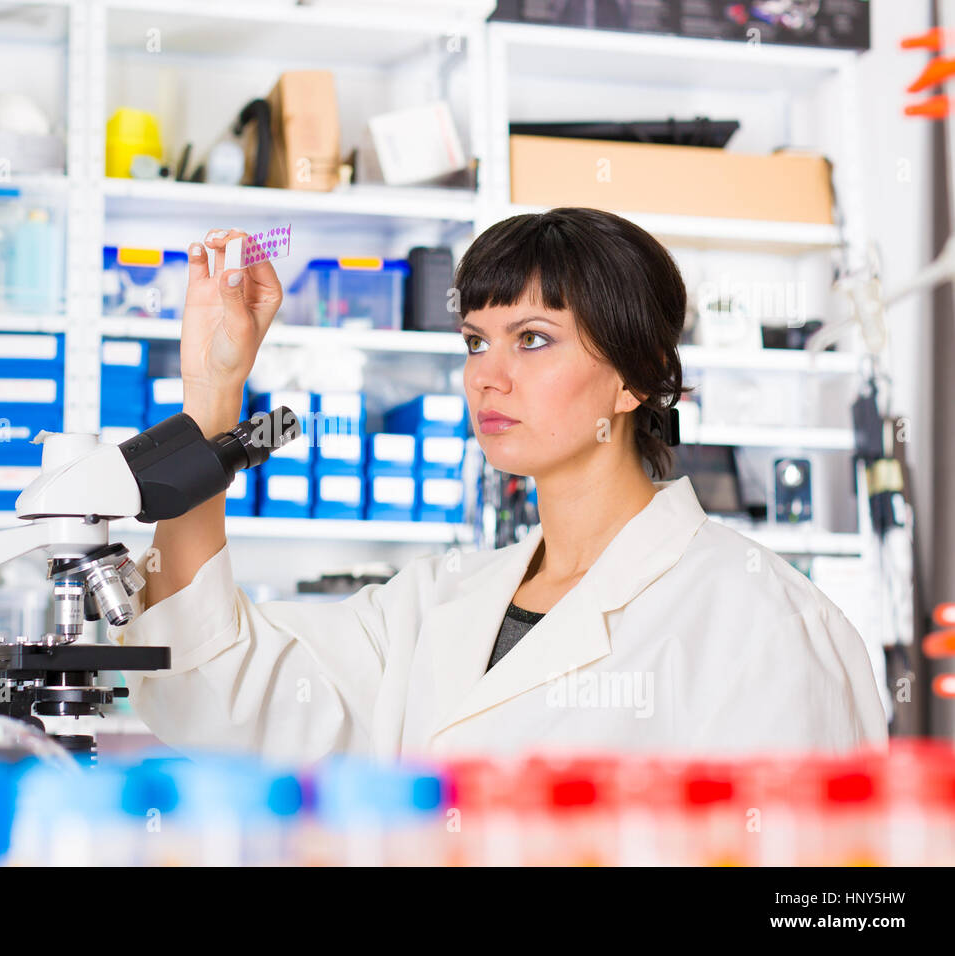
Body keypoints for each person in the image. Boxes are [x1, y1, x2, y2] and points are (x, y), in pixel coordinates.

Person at [110, 208, 888, 763]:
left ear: (636, 378)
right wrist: (212, 392)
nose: (488, 375)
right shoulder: (437, 601)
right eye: (477, 340)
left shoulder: (762, 622)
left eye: (534, 340)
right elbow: (216, 690)